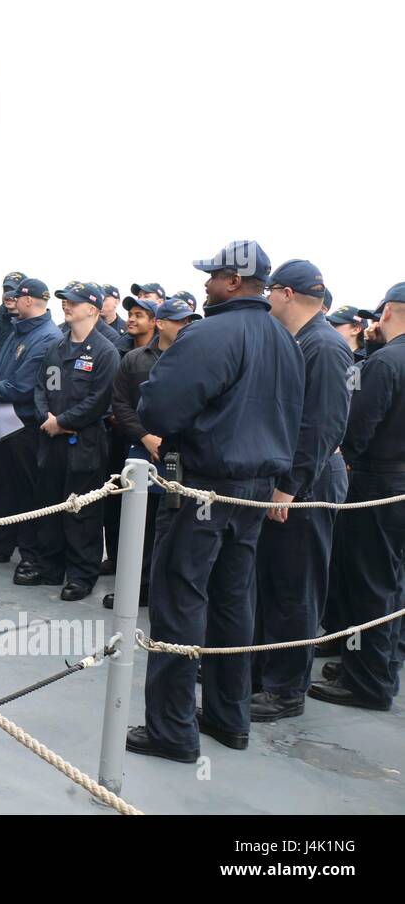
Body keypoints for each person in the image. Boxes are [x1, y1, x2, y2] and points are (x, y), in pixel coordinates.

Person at [127, 241, 304, 762]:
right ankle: (230, 718)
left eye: (212, 276)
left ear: (232, 281)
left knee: (180, 601)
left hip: (204, 486)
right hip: (253, 489)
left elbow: (158, 409)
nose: (204, 285)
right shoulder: (284, 339)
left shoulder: (210, 333)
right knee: (234, 601)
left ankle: (172, 730)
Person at [251, 260, 353, 721]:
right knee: (271, 581)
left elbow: (323, 426)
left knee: (296, 587)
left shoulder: (325, 347)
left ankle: (286, 689)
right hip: (288, 478)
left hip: (306, 483)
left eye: (270, 292)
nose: (267, 299)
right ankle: (258, 670)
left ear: (286, 293)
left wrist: (289, 489)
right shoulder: (298, 341)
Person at [308, 282, 405, 711]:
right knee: (392, 582)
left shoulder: (383, 362)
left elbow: (356, 429)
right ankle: (374, 665)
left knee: (367, 583)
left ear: (388, 312)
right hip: (397, 485)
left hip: (378, 483)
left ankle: (367, 683)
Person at [102, 297, 199, 609]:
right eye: (179, 321)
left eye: (188, 321)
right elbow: (120, 404)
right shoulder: (134, 360)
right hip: (143, 451)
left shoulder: (199, 358)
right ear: (161, 323)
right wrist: (145, 437)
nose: (185, 327)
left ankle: (165, 590)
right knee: (138, 524)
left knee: (173, 524)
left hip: (181, 453)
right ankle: (136, 587)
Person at [24, 281, 119, 600]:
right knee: (50, 504)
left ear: (92, 309)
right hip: (51, 442)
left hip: (85, 444)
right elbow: (40, 388)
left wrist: (63, 421)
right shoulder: (57, 348)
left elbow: (99, 400)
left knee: (83, 514)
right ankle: (51, 567)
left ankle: (81, 575)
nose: (66, 306)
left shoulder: (105, 352)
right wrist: (47, 420)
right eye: (65, 301)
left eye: (74, 303)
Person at [0, 278, 62, 571]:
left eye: (18, 298)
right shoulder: (17, 331)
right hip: (1, 416)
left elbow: (25, 385)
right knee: (2, 483)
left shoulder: (48, 337)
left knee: (26, 489)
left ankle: (29, 550)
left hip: (24, 423)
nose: (12, 301)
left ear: (29, 301)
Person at [102, 295, 159, 571]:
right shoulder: (119, 349)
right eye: (131, 314)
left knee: (146, 513)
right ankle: (115, 559)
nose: (132, 319)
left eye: (139, 314)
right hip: (116, 436)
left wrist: (141, 433)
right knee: (114, 502)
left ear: (154, 321)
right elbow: (116, 398)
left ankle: (140, 573)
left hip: (149, 443)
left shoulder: (165, 356)